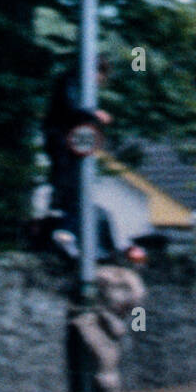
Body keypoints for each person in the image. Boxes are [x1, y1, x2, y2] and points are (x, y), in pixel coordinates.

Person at [43, 56, 114, 256]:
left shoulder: (72, 82)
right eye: (98, 79)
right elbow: (72, 110)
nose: (96, 84)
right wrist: (94, 115)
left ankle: (65, 228)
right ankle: (65, 232)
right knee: (74, 189)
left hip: (63, 140)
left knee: (70, 187)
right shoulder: (70, 82)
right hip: (61, 140)